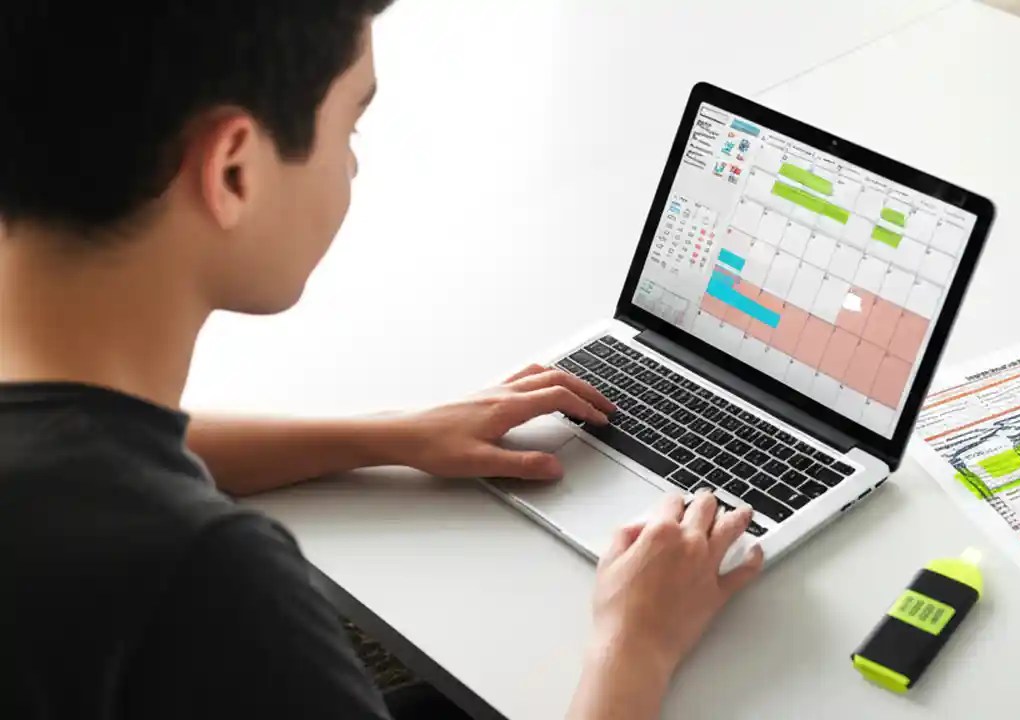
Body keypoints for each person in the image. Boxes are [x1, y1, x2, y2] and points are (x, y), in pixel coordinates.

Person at [0, 2, 764, 719]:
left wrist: (383, 434)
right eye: (349, 130)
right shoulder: (205, 588)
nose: (353, 168)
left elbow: (74, 455)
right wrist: (635, 645)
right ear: (234, 170)